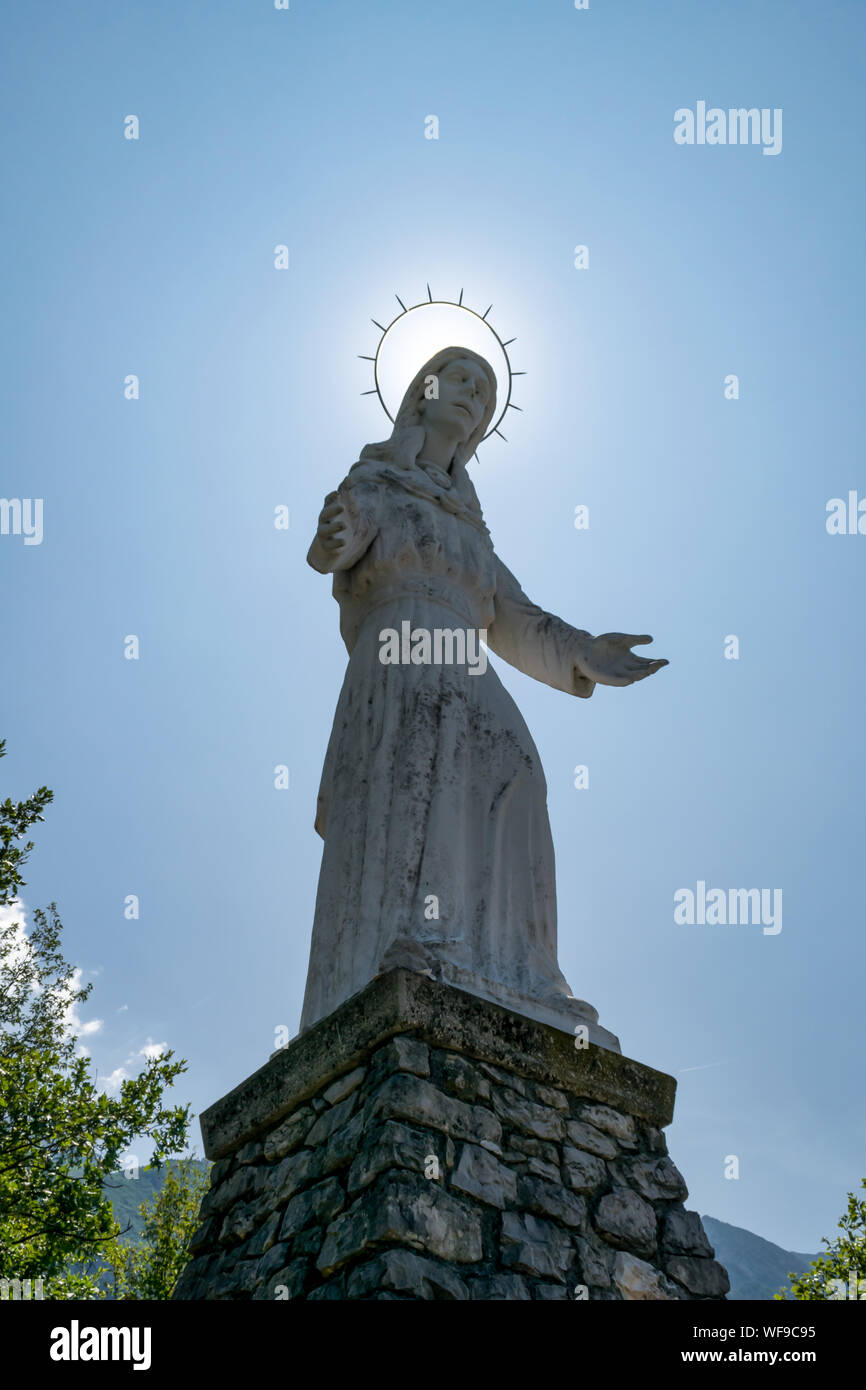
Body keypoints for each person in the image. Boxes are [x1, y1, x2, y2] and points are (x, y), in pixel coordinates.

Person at [301, 346, 666, 1046]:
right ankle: (418, 945)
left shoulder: (470, 528)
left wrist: (585, 652)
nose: (473, 393)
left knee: (516, 772)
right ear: (422, 393)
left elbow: (515, 616)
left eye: (487, 391)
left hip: (465, 660)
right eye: (461, 378)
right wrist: (331, 539)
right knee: (419, 784)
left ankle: (517, 972)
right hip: (400, 648)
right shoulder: (377, 482)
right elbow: (334, 547)